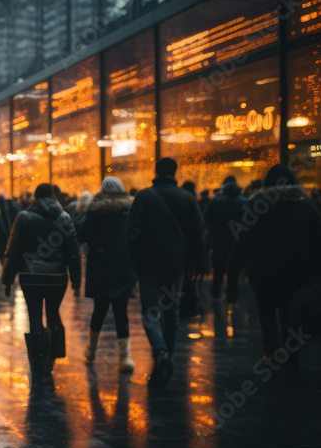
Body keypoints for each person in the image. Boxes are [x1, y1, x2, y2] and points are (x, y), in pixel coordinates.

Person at [230, 164, 321, 360]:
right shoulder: (305, 204)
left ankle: (270, 354)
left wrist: (233, 272)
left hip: (263, 271)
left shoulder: (257, 205)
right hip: (298, 270)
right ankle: (292, 357)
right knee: (291, 314)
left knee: (266, 314)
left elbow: (242, 239)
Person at [126, 157, 205, 390]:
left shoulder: (143, 197)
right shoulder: (188, 198)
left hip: (149, 266)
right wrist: (198, 266)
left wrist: (135, 263)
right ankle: (167, 356)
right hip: (177, 266)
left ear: (156, 171)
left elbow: (131, 235)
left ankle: (160, 352)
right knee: (172, 313)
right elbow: (197, 235)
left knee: (151, 313)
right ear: (175, 171)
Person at [2, 183, 81, 374]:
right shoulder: (64, 217)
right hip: (57, 278)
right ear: (54, 197)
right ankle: (52, 356)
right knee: (53, 313)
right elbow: (73, 253)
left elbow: (13, 251)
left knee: (35, 316)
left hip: (30, 277)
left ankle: (38, 359)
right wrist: (76, 281)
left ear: (34, 198)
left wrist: (7, 279)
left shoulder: (23, 217)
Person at [79, 177, 136, 372]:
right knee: (122, 312)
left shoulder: (95, 211)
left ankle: (91, 351)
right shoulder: (131, 210)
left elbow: (82, 235)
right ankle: (125, 358)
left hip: (100, 266)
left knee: (99, 310)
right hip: (124, 266)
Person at [204, 176, 247, 302]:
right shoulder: (244, 201)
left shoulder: (215, 201)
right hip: (236, 243)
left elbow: (206, 219)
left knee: (218, 271)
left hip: (218, 242)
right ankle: (232, 300)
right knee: (233, 274)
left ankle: (215, 296)